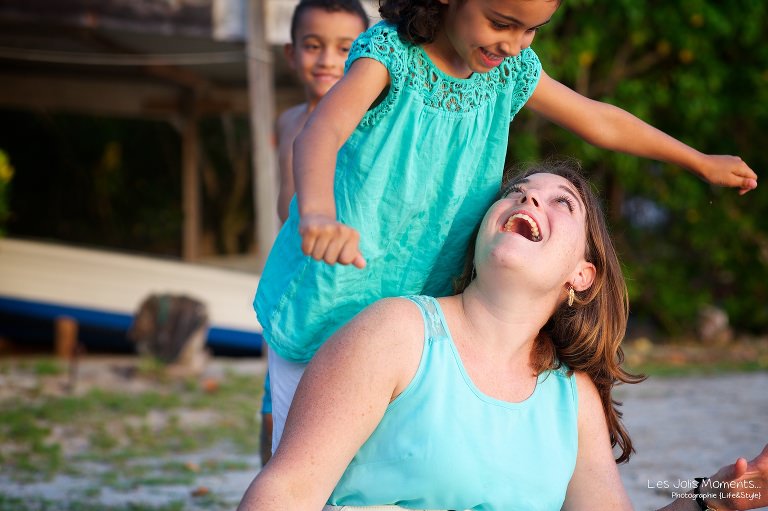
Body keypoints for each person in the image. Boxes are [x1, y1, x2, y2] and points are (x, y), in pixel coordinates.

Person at [255, 0, 760, 451]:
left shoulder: (509, 73)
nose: (514, 44)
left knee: (386, 466)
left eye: (531, 29)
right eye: (501, 23)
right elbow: (319, 132)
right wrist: (317, 213)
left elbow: (599, 120)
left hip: (420, 307)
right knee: (305, 462)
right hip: (330, 293)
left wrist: (697, 160)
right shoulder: (391, 54)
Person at [239, 161, 768, 511]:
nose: (529, 199)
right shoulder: (396, 332)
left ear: (581, 275)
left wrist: (714, 499)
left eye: (561, 202)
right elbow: (287, 490)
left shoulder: (572, 397)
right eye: (518, 192)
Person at [259, 0, 370, 465]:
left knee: (330, 414)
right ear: (290, 53)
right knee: (272, 416)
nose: (327, 60)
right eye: (312, 46)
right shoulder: (286, 121)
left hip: (339, 285)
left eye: (344, 48)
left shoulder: (364, 122)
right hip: (290, 283)